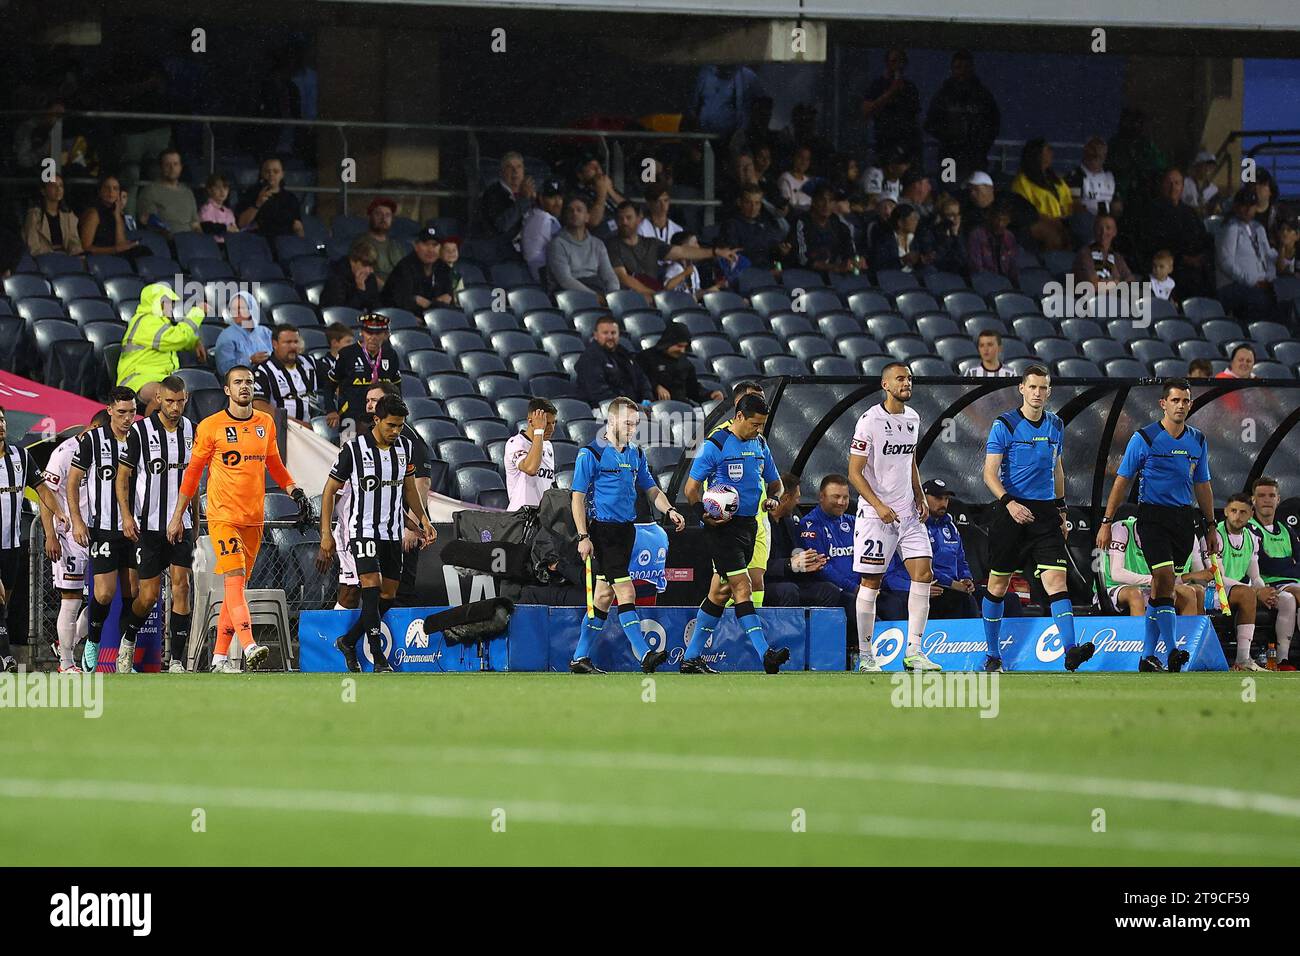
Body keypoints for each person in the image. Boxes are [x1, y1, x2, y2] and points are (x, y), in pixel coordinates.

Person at [169, 365, 312, 673]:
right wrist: (178, 515)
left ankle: (219, 658)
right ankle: (249, 645)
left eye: (248, 381)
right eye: (238, 382)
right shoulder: (210, 426)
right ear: (227, 390)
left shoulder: (266, 423)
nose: (244, 386)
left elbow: (274, 464)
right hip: (223, 516)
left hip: (254, 518)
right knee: (235, 580)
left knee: (236, 587)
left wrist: (294, 491)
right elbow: (192, 474)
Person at [1096, 378, 1218, 672]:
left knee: (1164, 591)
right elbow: (1122, 482)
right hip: (1152, 517)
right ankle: (1174, 649)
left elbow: (1203, 485)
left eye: (1186, 401)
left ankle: (1148, 656)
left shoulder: (1197, 440)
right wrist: (1106, 521)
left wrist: (1212, 526)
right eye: (1175, 400)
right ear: (1163, 404)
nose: (1181, 405)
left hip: (1182, 519)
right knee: (1163, 578)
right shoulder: (1145, 438)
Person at [981, 366, 1091, 672]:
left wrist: (1062, 508)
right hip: (1010, 511)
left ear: (1049, 391)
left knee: (1057, 580)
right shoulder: (1005, 424)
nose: (1038, 393)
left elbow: (1057, 468)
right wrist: (1009, 503)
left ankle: (1071, 651)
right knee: (998, 585)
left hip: (1045, 513)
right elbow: (989, 473)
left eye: (1043, 388)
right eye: (1033, 387)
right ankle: (992, 655)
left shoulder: (1056, 424)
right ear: (1022, 388)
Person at [317, 394, 435, 672]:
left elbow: (409, 488)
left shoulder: (405, 447)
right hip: (363, 531)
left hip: (392, 532)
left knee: (389, 595)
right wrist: (326, 533)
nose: (396, 431)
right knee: (371, 586)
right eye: (391, 425)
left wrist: (424, 520)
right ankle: (377, 655)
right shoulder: (354, 449)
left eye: (400, 426)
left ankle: (349, 640)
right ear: (376, 420)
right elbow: (329, 491)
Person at [570, 398, 683, 674]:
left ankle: (579, 658)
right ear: (611, 421)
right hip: (602, 531)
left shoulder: (636, 454)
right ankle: (644, 654)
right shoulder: (592, 454)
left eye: (636, 424)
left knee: (603, 597)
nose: (633, 428)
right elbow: (577, 498)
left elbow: (652, 489)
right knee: (626, 590)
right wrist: (583, 536)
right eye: (628, 423)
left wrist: (669, 510)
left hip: (626, 532)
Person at [683, 393, 788, 674]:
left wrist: (773, 500)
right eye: (754, 424)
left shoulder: (760, 444)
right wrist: (703, 517)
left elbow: (776, 484)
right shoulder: (714, 445)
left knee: (720, 592)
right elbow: (691, 489)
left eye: (762, 425)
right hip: (722, 529)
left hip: (749, 525)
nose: (758, 429)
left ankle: (691, 658)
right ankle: (765, 654)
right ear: (739, 417)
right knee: (743, 587)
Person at [847, 362, 940, 673]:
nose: (907, 383)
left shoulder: (913, 417)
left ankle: (914, 652)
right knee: (871, 582)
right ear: (885, 384)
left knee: (924, 574)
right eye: (900, 378)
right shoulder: (869, 421)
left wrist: (919, 494)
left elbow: (909, 459)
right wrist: (878, 504)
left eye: (909, 378)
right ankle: (865, 656)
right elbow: (854, 472)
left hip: (908, 514)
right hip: (877, 516)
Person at [114, 376, 195, 673]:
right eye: (170, 401)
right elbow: (122, 477)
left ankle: (176, 660)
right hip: (148, 525)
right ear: (159, 398)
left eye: (181, 401)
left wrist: (194, 520)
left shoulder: (192, 431)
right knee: (147, 596)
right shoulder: (140, 431)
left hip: (182, 523)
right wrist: (126, 516)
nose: (176, 408)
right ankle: (129, 639)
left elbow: (193, 481)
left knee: (181, 587)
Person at [67, 388, 138, 672]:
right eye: (121, 412)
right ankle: (93, 644)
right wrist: (77, 520)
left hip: (135, 528)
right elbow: (72, 482)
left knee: (134, 593)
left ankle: (124, 656)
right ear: (109, 410)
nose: (127, 418)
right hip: (104, 527)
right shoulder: (93, 440)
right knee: (106, 593)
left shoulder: (140, 439)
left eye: (132, 412)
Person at [40, 410, 110, 672]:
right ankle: (67, 662)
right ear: (92, 427)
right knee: (71, 598)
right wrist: (50, 535)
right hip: (68, 535)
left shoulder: (104, 451)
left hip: (98, 532)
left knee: (104, 596)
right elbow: (47, 494)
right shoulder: (64, 453)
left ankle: (67, 642)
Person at [0, 407, 68, 672]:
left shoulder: (21, 457)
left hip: (13, 545)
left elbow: (42, 489)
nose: (1, 425)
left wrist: (59, 512)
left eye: (3, 420)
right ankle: (6, 658)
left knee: (6, 600)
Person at [1181, 493, 1271, 671]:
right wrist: (1254, 590)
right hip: (1212, 591)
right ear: (1226, 512)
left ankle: (1281, 659)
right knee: (1247, 593)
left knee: (1285, 599)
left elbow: (1256, 575)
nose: (1238, 516)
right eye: (1234, 511)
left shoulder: (1252, 539)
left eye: (1243, 512)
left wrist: (1263, 589)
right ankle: (1242, 658)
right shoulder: (1215, 536)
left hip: (1231, 591)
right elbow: (1216, 576)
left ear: (1251, 514)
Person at [880, 479, 990, 621]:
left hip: (953, 585)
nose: (943, 503)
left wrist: (966, 578)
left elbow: (961, 559)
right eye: (938, 498)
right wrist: (951, 584)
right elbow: (920, 566)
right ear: (922, 498)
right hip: (927, 584)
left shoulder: (951, 527)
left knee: (1005, 599)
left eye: (946, 498)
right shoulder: (911, 526)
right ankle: (970, 641)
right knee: (963, 600)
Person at [604, 201, 735, 302]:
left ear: (639, 218)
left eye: (628, 217)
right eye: (620, 219)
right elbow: (624, 278)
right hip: (629, 298)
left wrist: (715, 252)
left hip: (655, 297)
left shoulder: (651, 243)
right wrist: (654, 294)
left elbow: (682, 252)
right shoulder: (612, 245)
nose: (624, 222)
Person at [117, 282, 206, 415]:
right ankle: (147, 431)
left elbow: (172, 340)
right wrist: (197, 312)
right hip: (138, 377)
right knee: (165, 396)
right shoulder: (146, 321)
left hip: (160, 377)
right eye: (168, 302)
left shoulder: (161, 323)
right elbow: (177, 337)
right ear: (157, 303)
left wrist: (194, 342)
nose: (172, 306)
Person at [1249, 477, 1300, 669]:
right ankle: (1282, 660)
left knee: (1292, 597)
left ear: (1279, 499)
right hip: (1268, 584)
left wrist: (1287, 565)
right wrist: (1289, 563)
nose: (1267, 500)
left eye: (1271, 495)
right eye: (1261, 495)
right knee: (1290, 597)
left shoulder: (1287, 530)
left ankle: (1283, 660)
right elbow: (1265, 564)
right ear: (1253, 500)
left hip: (1292, 582)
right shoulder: (1251, 529)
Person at [1216, 186, 1284, 326]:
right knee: (1258, 300)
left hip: (1261, 283)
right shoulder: (1230, 228)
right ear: (1236, 206)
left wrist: (1270, 277)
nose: (1247, 210)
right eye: (1244, 206)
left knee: (1283, 298)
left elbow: (1268, 255)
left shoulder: (1258, 228)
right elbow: (1225, 262)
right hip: (1234, 285)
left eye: (1251, 206)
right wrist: (1251, 281)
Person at [329, 312, 401, 432]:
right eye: (369, 332)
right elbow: (330, 385)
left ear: (386, 334)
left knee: (380, 450)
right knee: (348, 449)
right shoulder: (347, 354)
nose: (373, 337)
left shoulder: (390, 355)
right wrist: (331, 410)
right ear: (361, 332)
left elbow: (396, 387)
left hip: (381, 417)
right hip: (350, 417)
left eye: (378, 333)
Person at [547, 195, 619, 299]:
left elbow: (609, 276)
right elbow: (565, 280)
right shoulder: (557, 244)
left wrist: (613, 296)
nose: (574, 213)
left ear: (587, 217)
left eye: (579, 210)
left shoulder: (597, 244)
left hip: (597, 289)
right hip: (570, 295)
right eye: (570, 211)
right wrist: (596, 297)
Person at [862, 48, 922, 167]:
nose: (898, 65)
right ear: (887, 63)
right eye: (894, 61)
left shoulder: (910, 88)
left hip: (907, 144)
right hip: (885, 143)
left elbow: (915, 117)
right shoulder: (877, 85)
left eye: (901, 61)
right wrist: (890, 93)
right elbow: (866, 111)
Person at [636, 322, 724, 404]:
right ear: (668, 343)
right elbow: (638, 380)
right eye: (679, 346)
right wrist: (656, 387)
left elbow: (693, 390)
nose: (682, 351)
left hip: (681, 407)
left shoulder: (685, 363)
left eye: (685, 347)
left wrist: (710, 395)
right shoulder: (646, 357)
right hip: (655, 407)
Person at [1010, 138, 1073, 251]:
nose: (1051, 153)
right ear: (1037, 154)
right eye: (1048, 149)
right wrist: (1051, 221)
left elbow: (1068, 202)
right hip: (1041, 223)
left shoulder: (1056, 181)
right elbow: (1023, 209)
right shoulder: (1022, 182)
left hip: (1064, 222)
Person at [574, 315, 652, 406]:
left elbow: (641, 377)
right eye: (605, 333)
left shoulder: (624, 353)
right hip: (603, 409)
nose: (610, 337)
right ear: (595, 335)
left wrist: (647, 397)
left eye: (613, 333)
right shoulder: (590, 357)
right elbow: (598, 392)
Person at [253, 324, 320, 424]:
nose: (293, 346)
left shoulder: (310, 362)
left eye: (296, 342)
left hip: (312, 428)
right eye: (288, 342)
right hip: (280, 429)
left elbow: (333, 380)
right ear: (275, 344)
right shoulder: (263, 370)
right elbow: (259, 405)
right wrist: (294, 424)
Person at [795, 184, 861, 277]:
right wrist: (833, 267)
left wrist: (854, 262)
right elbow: (803, 259)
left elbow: (851, 253)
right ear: (813, 202)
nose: (826, 204)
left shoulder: (839, 226)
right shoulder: (802, 223)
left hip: (833, 277)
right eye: (822, 200)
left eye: (831, 201)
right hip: (805, 277)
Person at [504, 398, 558, 512]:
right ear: (531, 421)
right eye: (546, 423)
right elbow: (531, 468)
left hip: (541, 518)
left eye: (554, 423)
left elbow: (548, 483)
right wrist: (539, 430)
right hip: (519, 518)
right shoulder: (515, 443)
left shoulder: (548, 446)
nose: (552, 428)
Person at [718, 184, 788, 270]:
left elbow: (775, 254)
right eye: (748, 202)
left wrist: (782, 252)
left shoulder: (765, 223)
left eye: (757, 203)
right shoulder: (731, 225)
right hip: (747, 273)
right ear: (739, 202)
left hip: (768, 272)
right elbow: (733, 256)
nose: (753, 208)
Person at [135, 147, 200, 237]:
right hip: (167, 243)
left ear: (181, 167)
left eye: (175, 164)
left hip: (190, 243)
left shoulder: (188, 192)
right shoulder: (150, 191)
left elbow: (195, 225)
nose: (172, 168)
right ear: (160, 167)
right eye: (167, 165)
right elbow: (150, 223)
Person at [235, 155, 304, 239]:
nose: (271, 174)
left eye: (276, 171)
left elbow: (298, 226)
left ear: (282, 174)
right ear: (262, 174)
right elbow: (241, 223)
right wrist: (257, 204)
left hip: (284, 242)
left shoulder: (290, 198)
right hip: (259, 241)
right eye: (267, 171)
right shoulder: (252, 193)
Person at [78, 173, 141, 258]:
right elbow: (86, 247)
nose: (111, 192)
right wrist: (114, 249)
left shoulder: (117, 212)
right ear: (99, 191)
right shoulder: (94, 213)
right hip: (97, 258)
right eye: (106, 188)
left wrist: (117, 215)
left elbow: (120, 244)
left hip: (113, 257)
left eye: (115, 189)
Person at [381, 226, 441, 313]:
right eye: (425, 244)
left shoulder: (442, 268)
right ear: (416, 246)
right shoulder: (405, 267)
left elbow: (445, 299)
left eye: (435, 245)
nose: (430, 250)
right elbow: (400, 303)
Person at [214, 291, 273, 379]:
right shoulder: (226, 336)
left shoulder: (265, 332)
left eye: (240, 308)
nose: (236, 312)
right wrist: (250, 360)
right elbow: (223, 369)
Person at [22, 174, 83, 256]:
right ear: (43, 191)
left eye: (61, 186)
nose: (58, 189)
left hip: (66, 259)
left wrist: (76, 255)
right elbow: (33, 246)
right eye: (53, 185)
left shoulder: (68, 215)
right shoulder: (34, 215)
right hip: (43, 260)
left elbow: (74, 242)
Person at [320, 237, 382, 311]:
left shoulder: (370, 277)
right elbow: (340, 312)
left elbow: (375, 307)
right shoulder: (336, 278)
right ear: (352, 261)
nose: (369, 271)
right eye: (365, 265)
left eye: (371, 266)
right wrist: (360, 291)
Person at [967, 201, 1020, 285]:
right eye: (997, 219)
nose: (1000, 224)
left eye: (1004, 220)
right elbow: (976, 268)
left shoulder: (1009, 237)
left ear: (1009, 220)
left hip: (1006, 284)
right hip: (985, 283)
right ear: (990, 217)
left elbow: (1013, 266)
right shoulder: (977, 235)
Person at [521, 179, 565, 281]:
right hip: (544, 278)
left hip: (533, 274)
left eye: (559, 197)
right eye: (552, 198)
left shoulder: (532, 215)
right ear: (541, 198)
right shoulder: (547, 220)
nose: (557, 202)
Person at [362, 197, 404, 284]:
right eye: (378, 214)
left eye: (387, 215)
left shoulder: (396, 245)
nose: (383, 218)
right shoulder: (362, 243)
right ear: (370, 217)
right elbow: (366, 275)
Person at [198, 173, 239, 242]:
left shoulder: (229, 212)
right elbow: (208, 229)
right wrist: (226, 228)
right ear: (209, 190)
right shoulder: (206, 209)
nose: (222, 191)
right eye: (218, 187)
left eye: (225, 187)